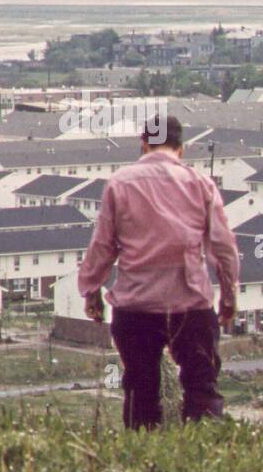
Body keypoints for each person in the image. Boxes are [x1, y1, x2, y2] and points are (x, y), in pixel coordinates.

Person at [77, 114, 240, 430]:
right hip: (190, 304)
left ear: (144, 144)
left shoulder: (119, 183)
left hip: (135, 305)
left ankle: (143, 459)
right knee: (201, 387)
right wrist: (229, 295)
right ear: (182, 148)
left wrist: (91, 289)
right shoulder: (200, 184)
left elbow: (103, 247)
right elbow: (224, 248)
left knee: (140, 389)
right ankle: (204, 454)